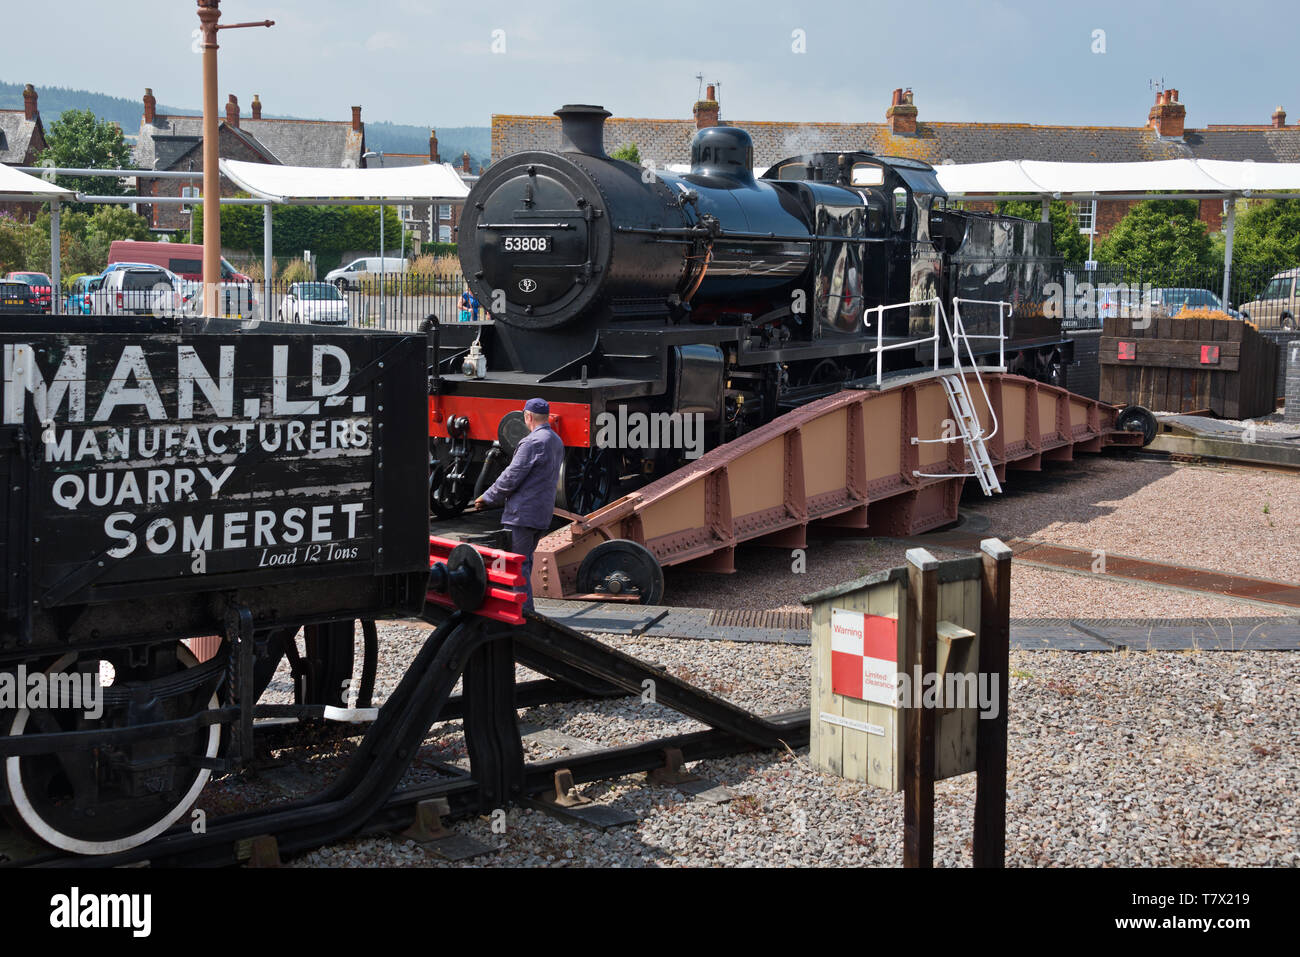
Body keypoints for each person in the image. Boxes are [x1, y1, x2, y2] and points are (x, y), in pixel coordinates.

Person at [473, 398, 564, 613]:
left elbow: (511, 476)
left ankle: (524, 612)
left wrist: (487, 497)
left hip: (521, 514)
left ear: (528, 416)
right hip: (541, 513)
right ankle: (524, 609)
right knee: (526, 562)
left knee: (516, 564)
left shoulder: (531, 443)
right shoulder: (556, 441)